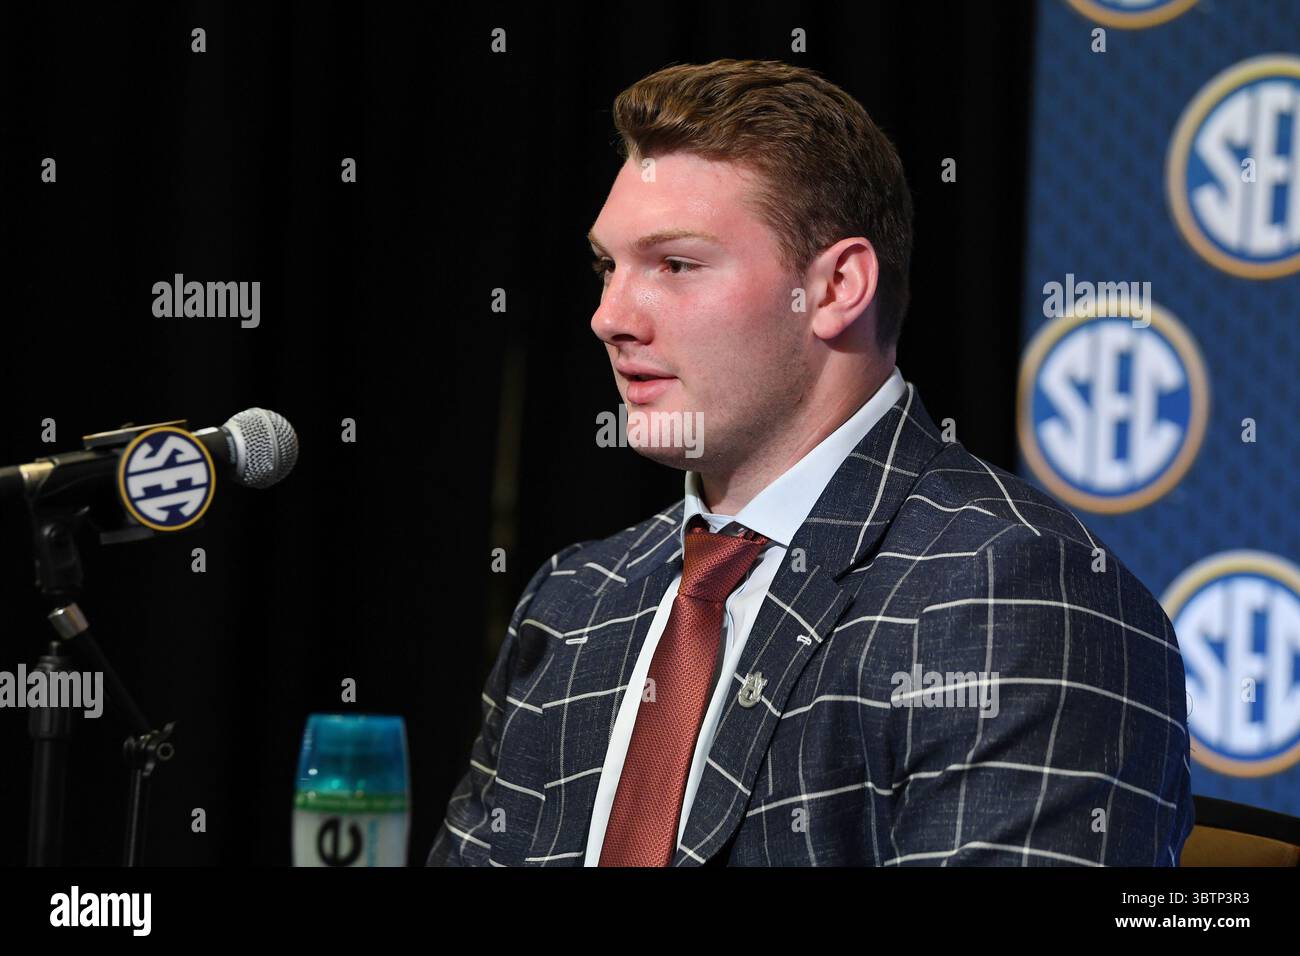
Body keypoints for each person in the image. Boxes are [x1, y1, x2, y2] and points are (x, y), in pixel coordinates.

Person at [427, 58, 1194, 867]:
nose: (608, 316)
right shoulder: (574, 599)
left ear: (836, 288)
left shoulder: (1015, 590)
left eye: (675, 265)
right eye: (606, 268)